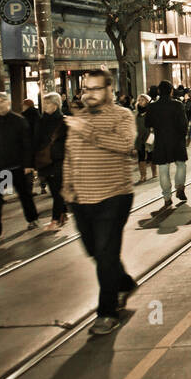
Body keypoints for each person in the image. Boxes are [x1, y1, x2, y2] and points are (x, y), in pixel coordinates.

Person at [62, 70, 139, 336]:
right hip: (81, 198)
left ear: (109, 89)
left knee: (106, 255)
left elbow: (126, 144)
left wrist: (89, 132)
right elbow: (69, 156)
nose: (89, 94)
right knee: (94, 251)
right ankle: (123, 281)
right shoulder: (77, 118)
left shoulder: (122, 116)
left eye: (95, 88)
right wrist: (66, 191)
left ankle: (107, 312)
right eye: (86, 89)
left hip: (113, 195)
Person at [0, 92, 39, 243]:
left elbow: (27, 144)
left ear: (8, 102)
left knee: (24, 195)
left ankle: (32, 218)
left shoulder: (19, 121)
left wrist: (28, 164)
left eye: (2, 101)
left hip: (16, 167)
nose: (0, 105)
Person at [145, 80, 189, 211]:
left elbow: (147, 123)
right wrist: (183, 136)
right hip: (177, 140)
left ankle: (166, 197)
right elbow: (183, 124)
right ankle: (180, 186)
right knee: (181, 164)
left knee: (163, 169)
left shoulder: (152, 106)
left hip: (161, 141)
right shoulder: (178, 105)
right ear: (171, 91)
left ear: (159, 91)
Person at [34, 92, 68, 231]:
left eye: (47, 103)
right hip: (45, 161)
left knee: (56, 191)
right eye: (44, 103)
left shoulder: (64, 121)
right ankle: (63, 213)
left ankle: (55, 220)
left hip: (59, 160)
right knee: (54, 191)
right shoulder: (41, 120)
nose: (45, 106)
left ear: (55, 105)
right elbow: (36, 140)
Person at [133, 94, 155, 183]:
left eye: (143, 100)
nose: (140, 101)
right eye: (139, 100)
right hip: (139, 137)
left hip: (149, 136)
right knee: (141, 156)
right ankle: (143, 175)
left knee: (151, 155)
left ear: (147, 101)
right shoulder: (136, 113)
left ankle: (154, 172)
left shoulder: (151, 112)